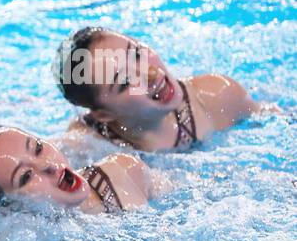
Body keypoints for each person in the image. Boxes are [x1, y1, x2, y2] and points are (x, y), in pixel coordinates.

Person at [55, 26, 265, 151]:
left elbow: (274, 121)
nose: (151, 74)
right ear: (103, 114)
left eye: (137, 54)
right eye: (126, 81)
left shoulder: (218, 97)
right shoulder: (89, 144)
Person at [0, 126, 160, 214]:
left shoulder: (124, 173)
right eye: (26, 176)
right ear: (8, 208)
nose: (48, 165)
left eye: (38, 148)